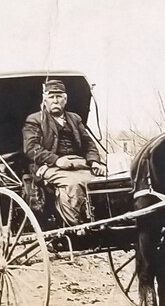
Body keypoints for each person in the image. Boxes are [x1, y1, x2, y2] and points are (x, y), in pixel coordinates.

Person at [23, 79, 106, 224]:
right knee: (73, 184)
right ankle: (76, 227)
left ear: (65, 99)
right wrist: (56, 160)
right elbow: (31, 149)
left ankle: (104, 221)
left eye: (59, 96)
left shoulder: (75, 118)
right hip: (48, 167)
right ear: (45, 99)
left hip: (79, 165)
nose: (55, 100)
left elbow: (89, 144)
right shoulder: (34, 120)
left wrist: (94, 162)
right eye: (51, 97)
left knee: (106, 181)